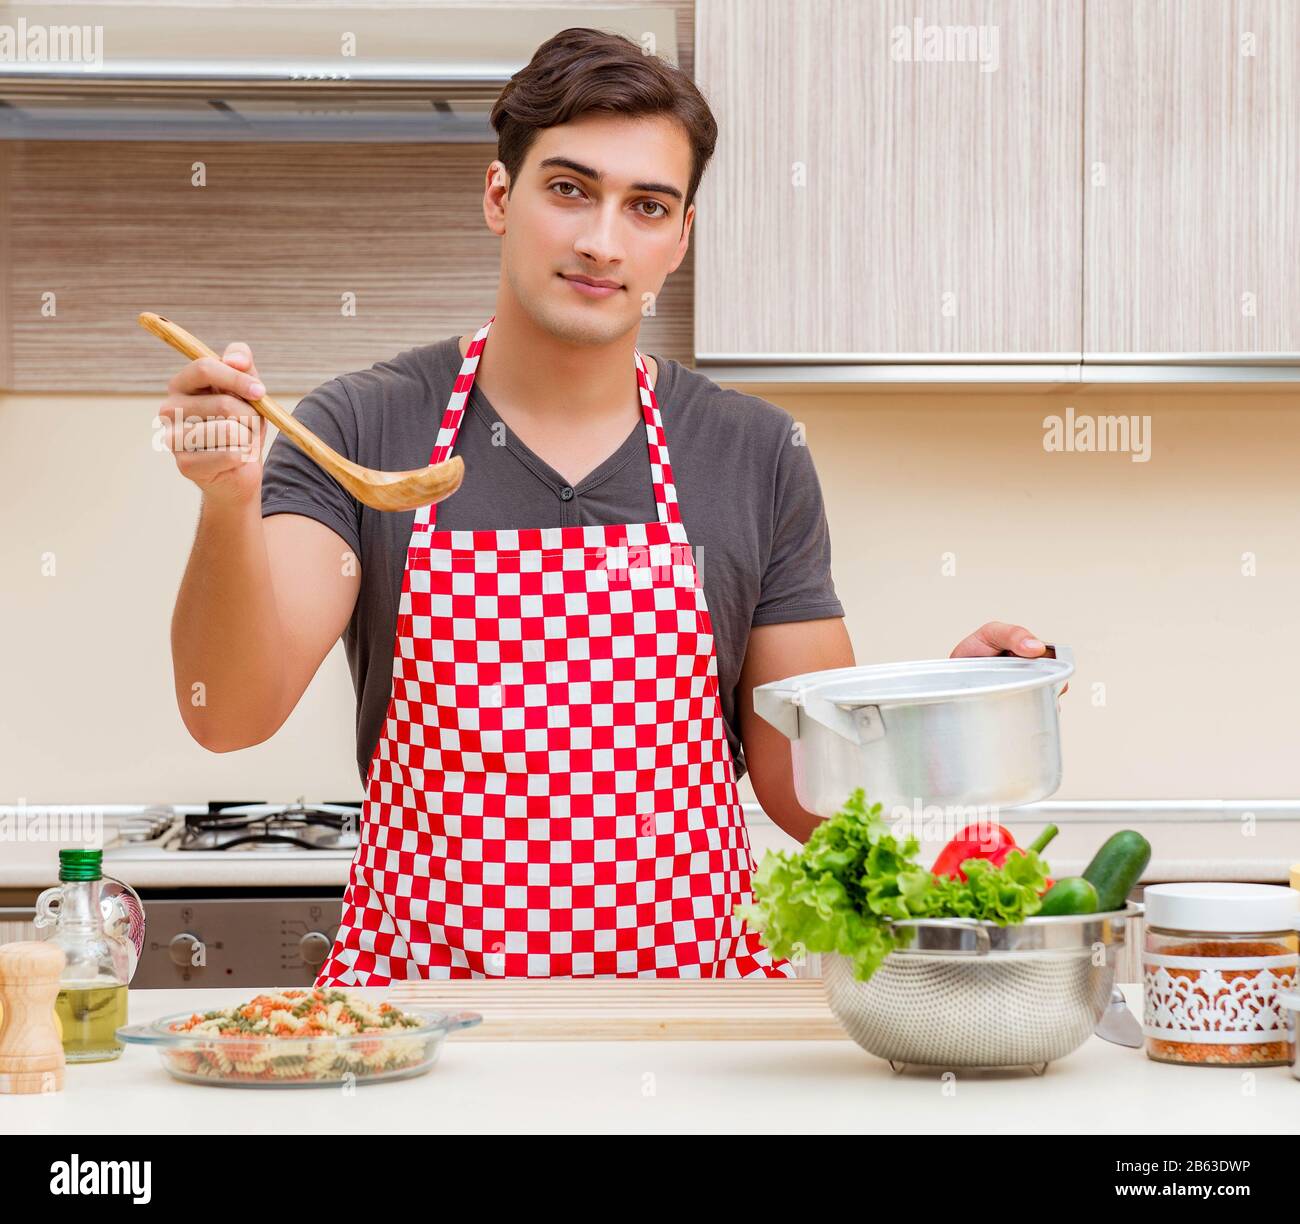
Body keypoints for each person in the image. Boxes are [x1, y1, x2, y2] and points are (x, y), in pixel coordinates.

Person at [157, 28, 1053, 983]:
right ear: (501, 197)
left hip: (696, 1032)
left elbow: (807, 795)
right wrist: (228, 499)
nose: (601, 240)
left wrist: (944, 717)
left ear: (681, 235)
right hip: (424, 1028)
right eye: (569, 189)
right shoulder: (363, 427)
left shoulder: (753, 452)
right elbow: (229, 714)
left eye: (647, 206)